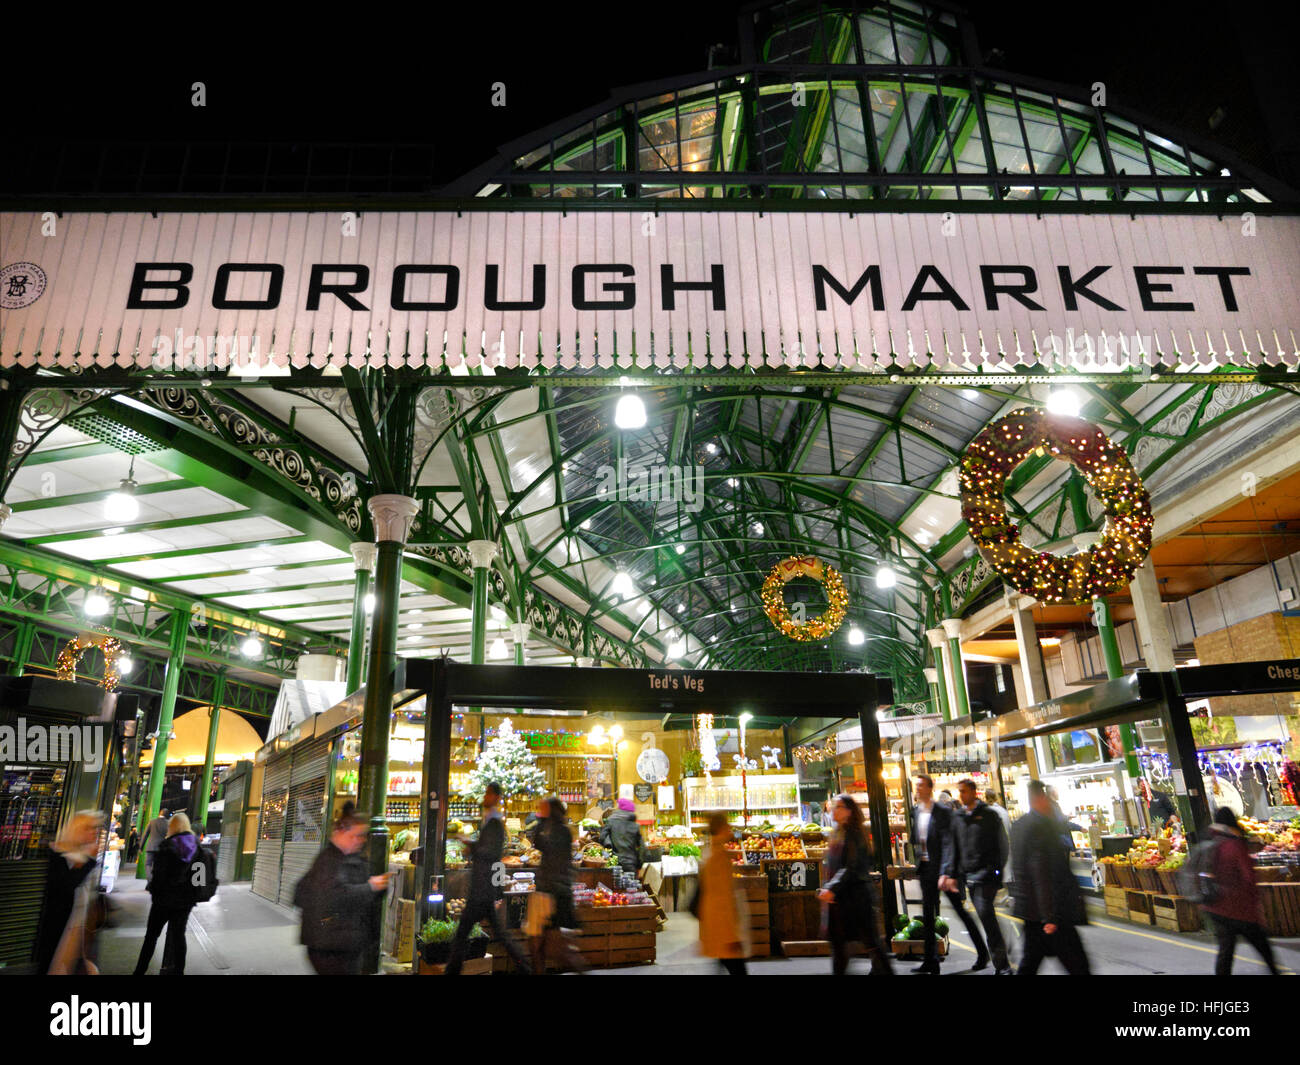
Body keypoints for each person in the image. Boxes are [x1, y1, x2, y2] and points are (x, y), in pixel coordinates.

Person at [445, 782, 533, 975]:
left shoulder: (494, 822)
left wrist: (471, 845)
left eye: (487, 794)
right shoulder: (490, 820)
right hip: (483, 888)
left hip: (482, 889)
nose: (484, 797)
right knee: (498, 935)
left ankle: (525, 968)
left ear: (495, 797)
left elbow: (492, 853)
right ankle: (525, 968)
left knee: (465, 934)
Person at [293, 808, 389, 975]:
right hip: (330, 945)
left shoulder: (350, 856)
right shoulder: (328, 861)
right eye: (356, 835)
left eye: (362, 835)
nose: (360, 840)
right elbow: (331, 895)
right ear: (340, 832)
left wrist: (376, 888)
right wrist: (371, 887)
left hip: (343, 942)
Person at [1009, 780, 1090, 975]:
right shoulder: (1040, 827)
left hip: (1033, 911)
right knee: (1079, 966)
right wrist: (1049, 917)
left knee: (1030, 963)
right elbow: (1041, 872)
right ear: (1041, 798)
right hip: (1050, 913)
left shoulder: (1020, 825)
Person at [911, 774, 984, 975]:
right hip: (926, 869)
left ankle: (983, 952)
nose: (917, 789)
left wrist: (947, 873)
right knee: (927, 914)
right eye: (915, 786)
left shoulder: (942, 811)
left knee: (960, 913)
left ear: (929, 788)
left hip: (943, 872)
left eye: (920, 786)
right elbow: (917, 839)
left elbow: (948, 842)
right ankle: (930, 961)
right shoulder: (917, 811)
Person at [818, 794, 893, 975]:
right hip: (844, 898)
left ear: (849, 811)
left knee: (870, 942)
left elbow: (851, 867)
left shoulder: (854, 834)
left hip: (857, 898)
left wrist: (831, 887)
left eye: (838, 806)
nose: (833, 809)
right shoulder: (839, 831)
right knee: (841, 946)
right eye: (833, 806)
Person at [1201, 807, 1280, 976]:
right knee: (1263, 947)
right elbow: (1248, 876)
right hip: (1239, 907)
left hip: (1215, 906)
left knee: (1226, 951)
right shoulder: (1234, 844)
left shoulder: (1210, 841)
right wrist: (1255, 900)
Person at [948, 779, 1012, 975]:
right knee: (986, 916)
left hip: (986, 876)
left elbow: (1003, 845)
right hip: (968, 875)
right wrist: (952, 874)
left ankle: (1002, 965)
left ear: (974, 792)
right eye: (960, 792)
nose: (961, 795)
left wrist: (996, 869)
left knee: (986, 914)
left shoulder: (989, 815)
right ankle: (995, 951)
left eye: (965, 791)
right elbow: (953, 847)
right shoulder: (958, 817)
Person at [35, 809, 106, 975]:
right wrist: (89, 861)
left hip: (81, 928)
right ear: (77, 829)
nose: (94, 832)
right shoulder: (59, 854)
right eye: (89, 828)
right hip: (62, 927)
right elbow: (67, 885)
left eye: (96, 828)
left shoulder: (84, 855)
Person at [133, 812, 201, 975]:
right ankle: (178, 971)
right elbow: (200, 876)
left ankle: (140, 971)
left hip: (163, 901)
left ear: (173, 826)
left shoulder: (167, 845)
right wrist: (192, 896)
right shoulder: (196, 846)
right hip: (184, 902)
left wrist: (155, 893)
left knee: (151, 937)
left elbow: (159, 875)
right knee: (179, 937)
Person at [527, 796, 583, 974]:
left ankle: (583, 970)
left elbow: (542, 845)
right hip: (548, 891)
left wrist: (541, 820)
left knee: (553, 949)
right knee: (538, 944)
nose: (540, 810)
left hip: (552, 893)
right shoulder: (556, 829)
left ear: (551, 810)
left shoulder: (559, 831)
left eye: (543, 807)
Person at [697, 812, 751, 974]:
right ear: (721, 828)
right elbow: (723, 900)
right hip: (724, 932)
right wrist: (733, 935)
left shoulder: (710, 853)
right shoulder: (718, 858)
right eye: (727, 826)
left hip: (716, 929)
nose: (730, 829)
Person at [600, 798, 643, 874]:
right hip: (631, 863)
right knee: (630, 884)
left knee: (614, 884)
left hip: (615, 862)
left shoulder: (611, 821)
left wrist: (608, 851)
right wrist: (639, 864)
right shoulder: (635, 826)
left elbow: (602, 838)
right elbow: (641, 847)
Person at [985, 790, 1014, 887]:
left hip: (995, 851)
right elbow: (1009, 829)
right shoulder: (1003, 811)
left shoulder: (987, 812)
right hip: (1007, 847)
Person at [141, 808, 169, 882]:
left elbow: (145, 835)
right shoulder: (168, 823)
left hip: (151, 846)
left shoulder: (152, 822)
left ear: (160, 814)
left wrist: (141, 847)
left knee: (148, 864)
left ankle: (150, 880)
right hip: (162, 848)